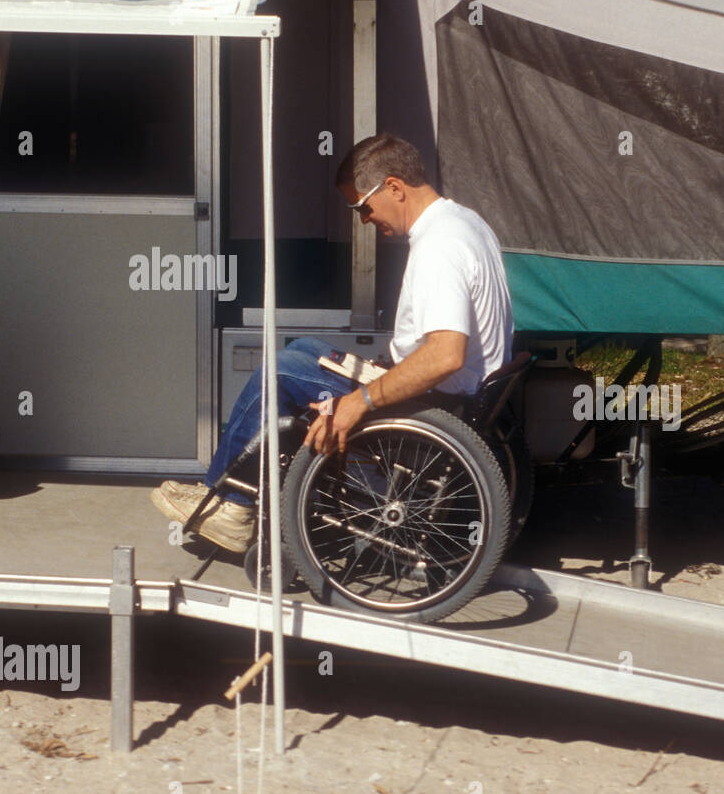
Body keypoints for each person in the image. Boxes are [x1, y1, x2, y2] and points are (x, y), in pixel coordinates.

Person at [151, 132, 514, 552]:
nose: (363, 220)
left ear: (394, 187)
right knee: (303, 348)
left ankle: (231, 505)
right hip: (454, 398)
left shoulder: (440, 247)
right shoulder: (465, 222)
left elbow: (445, 355)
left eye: (362, 206)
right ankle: (224, 487)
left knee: (279, 373)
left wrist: (359, 402)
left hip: (435, 406)